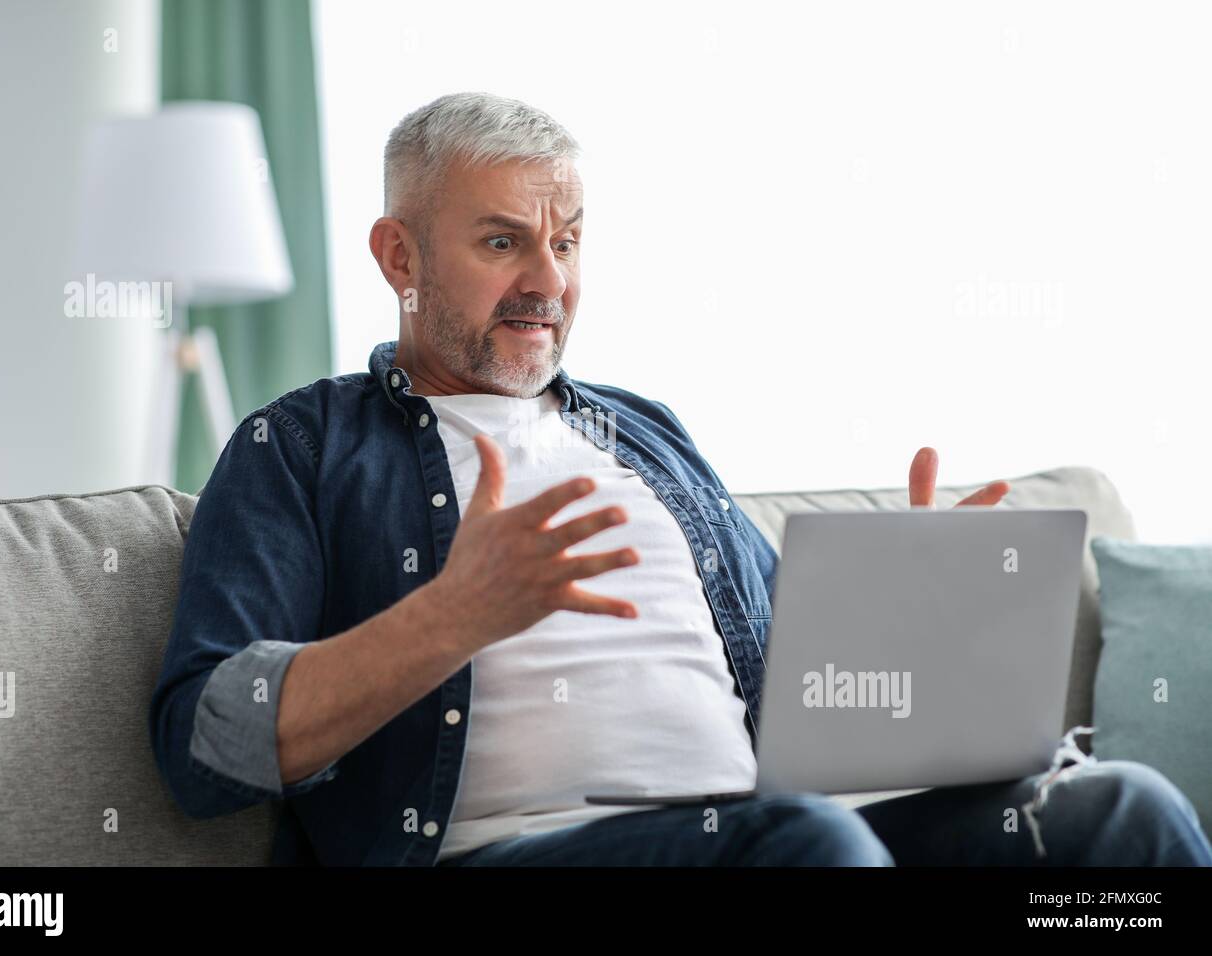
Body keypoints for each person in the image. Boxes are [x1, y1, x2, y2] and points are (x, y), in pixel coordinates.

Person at [149, 92, 1211, 867]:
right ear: (399, 257)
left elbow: (799, 702)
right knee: (803, 842)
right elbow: (203, 741)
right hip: (511, 852)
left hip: (757, 828)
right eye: (502, 241)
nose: (549, 282)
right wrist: (452, 615)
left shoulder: (647, 436)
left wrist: (911, 625)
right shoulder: (301, 446)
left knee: (1120, 814)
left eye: (567, 242)